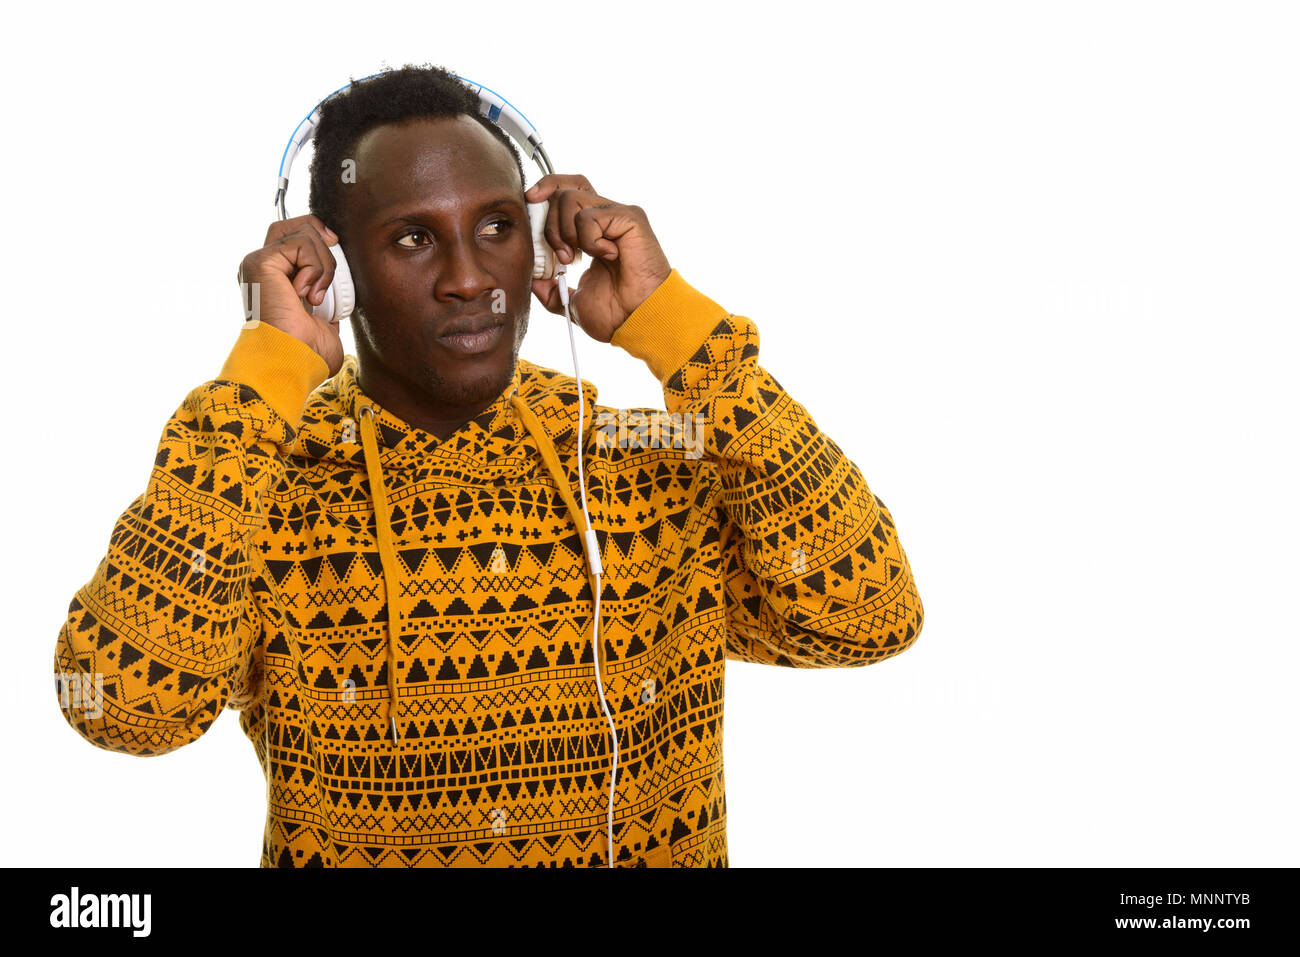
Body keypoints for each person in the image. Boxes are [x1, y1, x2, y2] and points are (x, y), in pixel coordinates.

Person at [53, 64, 924, 868]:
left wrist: (674, 324)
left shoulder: (636, 461)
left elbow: (870, 615)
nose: (470, 279)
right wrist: (264, 376)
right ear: (336, 274)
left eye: (498, 227)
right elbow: (118, 706)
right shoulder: (259, 487)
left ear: (541, 246)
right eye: (412, 239)